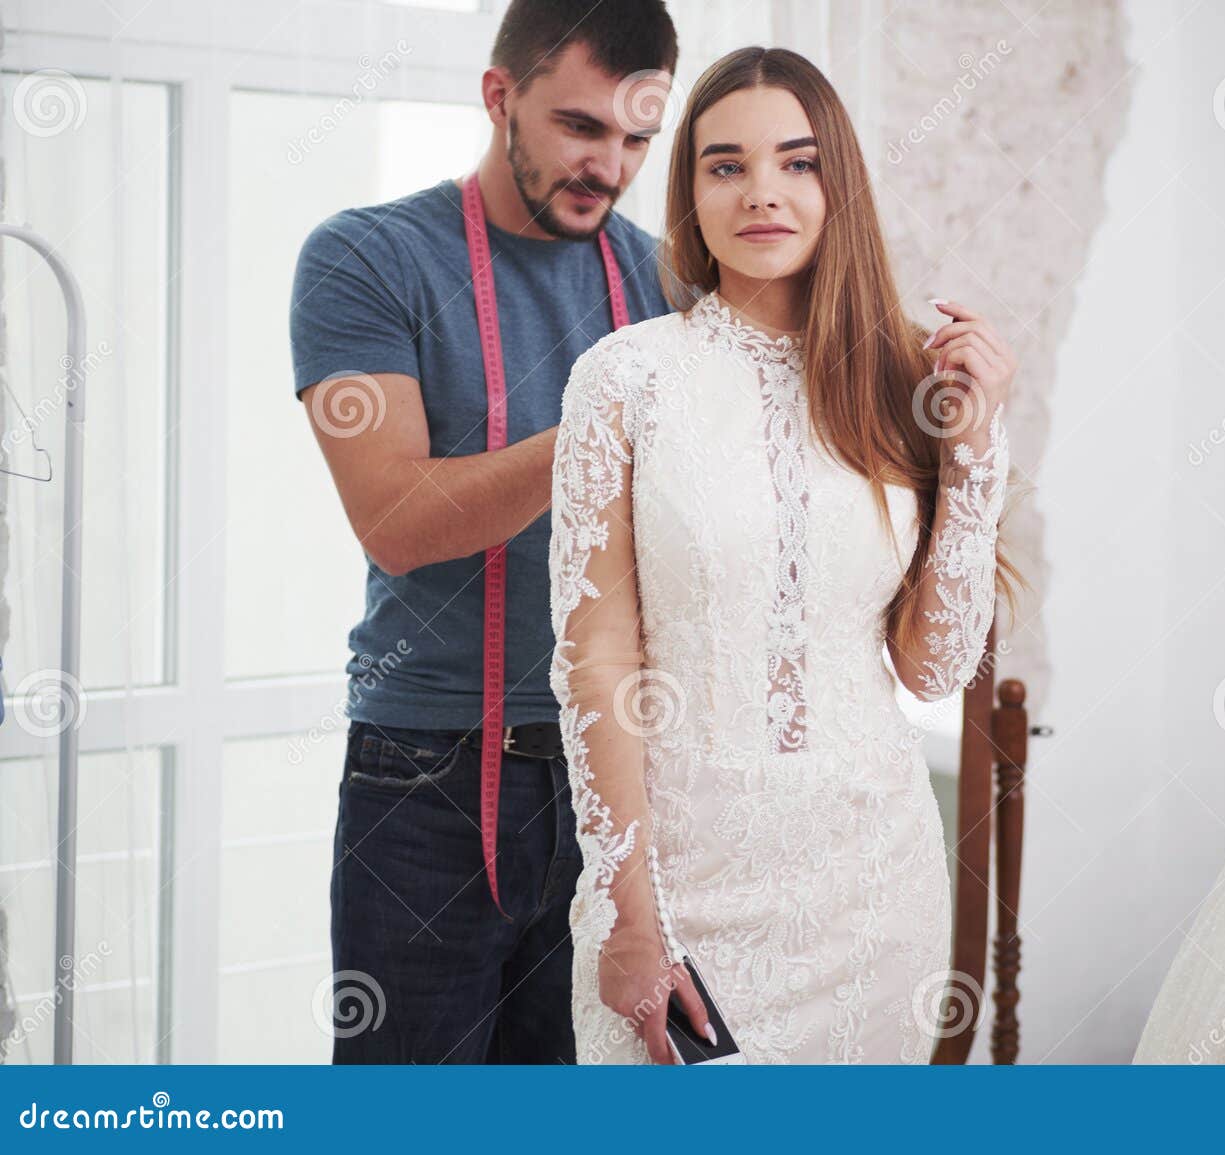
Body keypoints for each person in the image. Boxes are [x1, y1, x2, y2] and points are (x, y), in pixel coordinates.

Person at [548, 45, 1026, 1064]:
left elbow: (931, 666)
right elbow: (595, 661)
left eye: (796, 162)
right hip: (678, 887)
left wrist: (977, 454)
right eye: (725, 166)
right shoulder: (625, 380)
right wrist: (630, 915)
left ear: (835, 183)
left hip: (871, 888)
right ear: (690, 193)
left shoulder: (905, 374)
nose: (762, 191)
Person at [288, 0, 677, 1063]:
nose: (610, 165)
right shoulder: (366, 259)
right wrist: (604, 423)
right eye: (580, 127)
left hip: (619, 773)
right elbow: (399, 523)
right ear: (498, 95)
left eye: (639, 137)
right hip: (425, 780)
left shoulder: (664, 280)